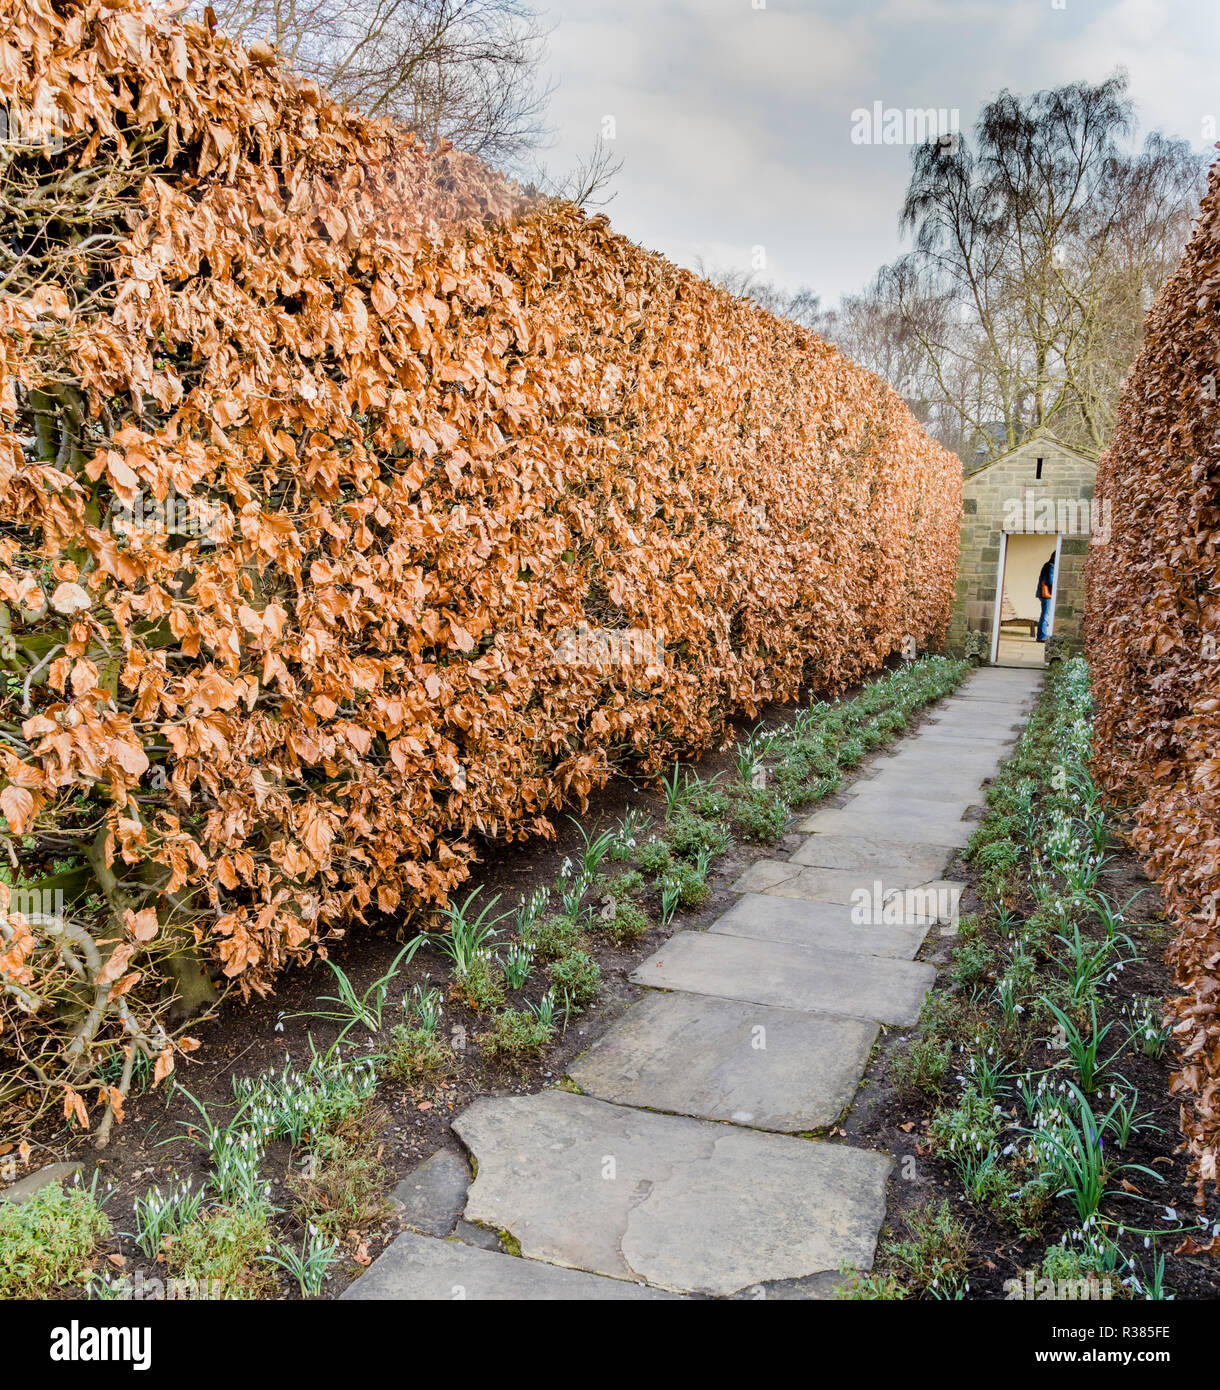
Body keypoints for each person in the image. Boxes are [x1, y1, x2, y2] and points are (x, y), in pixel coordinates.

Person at [1036, 552, 1055, 642]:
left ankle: (1041, 636)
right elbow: (1050, 581)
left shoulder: (1047, 565)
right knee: (1045, 615)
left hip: (1044, 594)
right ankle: (1041, 637)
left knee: (1045, 614)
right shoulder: (1050, 566)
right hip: (1047, 594)